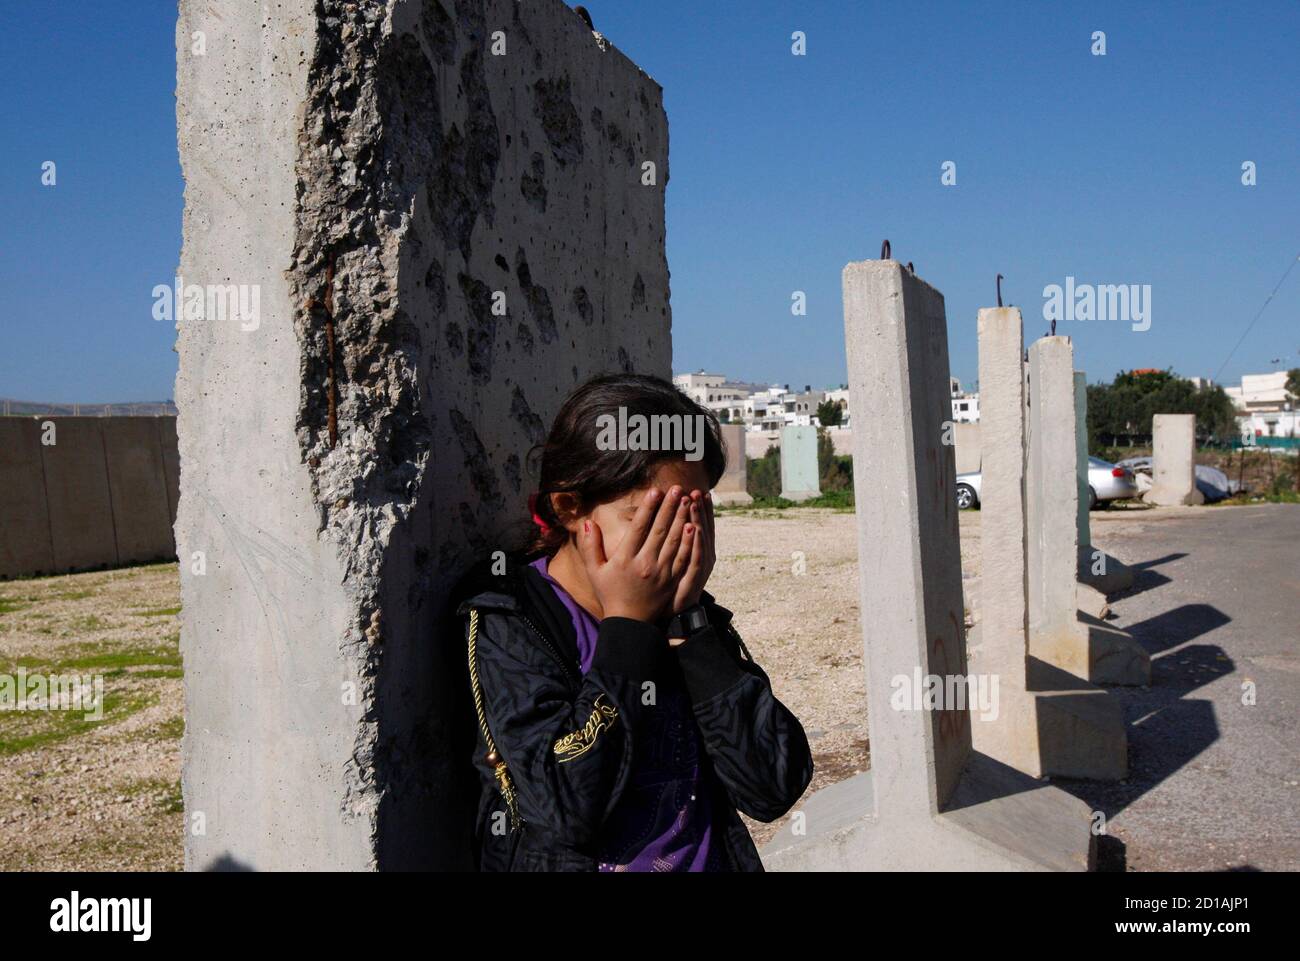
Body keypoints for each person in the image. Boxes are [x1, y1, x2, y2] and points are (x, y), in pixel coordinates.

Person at [451, 373, 813, 871]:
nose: (676, 541)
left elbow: (773, 786)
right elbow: (565, 811)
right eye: (649, 521)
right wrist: (629, 629)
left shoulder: (688, 614)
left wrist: (693, 627)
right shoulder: (510, 621)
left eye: (693, 516)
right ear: (570, 507)